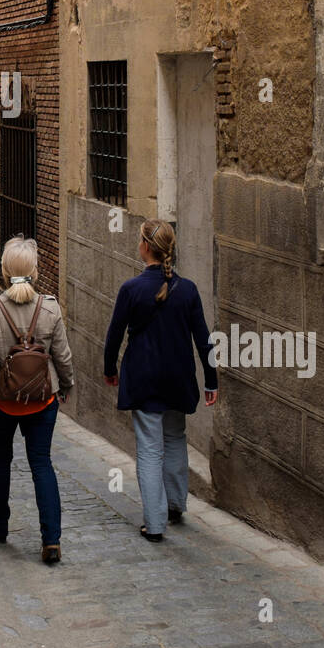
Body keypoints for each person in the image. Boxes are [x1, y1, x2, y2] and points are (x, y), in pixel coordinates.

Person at [0, 236, 74, 565]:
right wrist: (65, 386)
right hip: (41, 401)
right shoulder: (51, 309)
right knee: (42, 464)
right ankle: (51, 541)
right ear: (36, 271)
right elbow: (63, 357)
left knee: (0, 462)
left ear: (3, 270)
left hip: (0, 402)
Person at [103, 220, 218, 542]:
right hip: (178, 378)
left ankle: (154, 524)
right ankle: (176, 504)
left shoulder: (131, 289)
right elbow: (204, 340)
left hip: (144, 377)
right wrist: (211, 381)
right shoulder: (189, 290)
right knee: (175, 437)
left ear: (144, 246)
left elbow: (114, 335)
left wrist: (109, 368)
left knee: (150, 449)